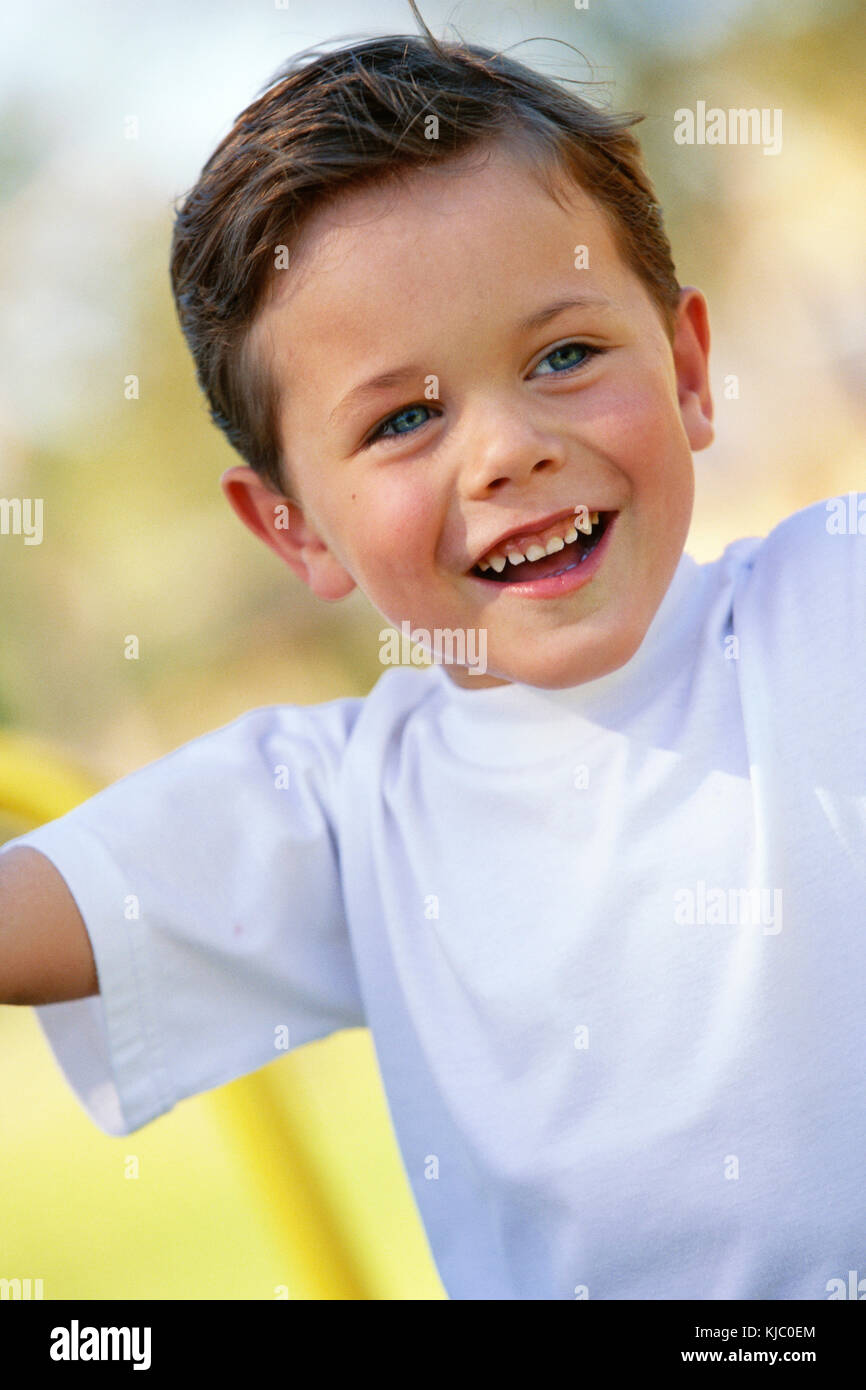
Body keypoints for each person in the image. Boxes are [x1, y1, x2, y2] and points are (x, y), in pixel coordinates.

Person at [1, 30, 863, 1301]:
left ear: (685, 368)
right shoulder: (341, 808)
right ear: (294, 526)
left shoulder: (828, 607)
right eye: (403, 418)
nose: (507, 449)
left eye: (563, 356)